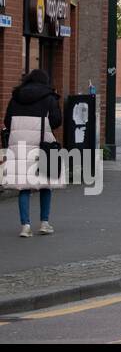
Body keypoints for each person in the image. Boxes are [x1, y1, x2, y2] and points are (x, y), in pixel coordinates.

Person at [2, 69, 65, 237]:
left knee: (23, 186)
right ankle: (44, 223)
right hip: (42, 144)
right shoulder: (49, 97)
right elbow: (57, 121)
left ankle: (25, 226)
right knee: (45, 183)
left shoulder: (16, 97)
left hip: (19, 145)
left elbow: (7, 121)